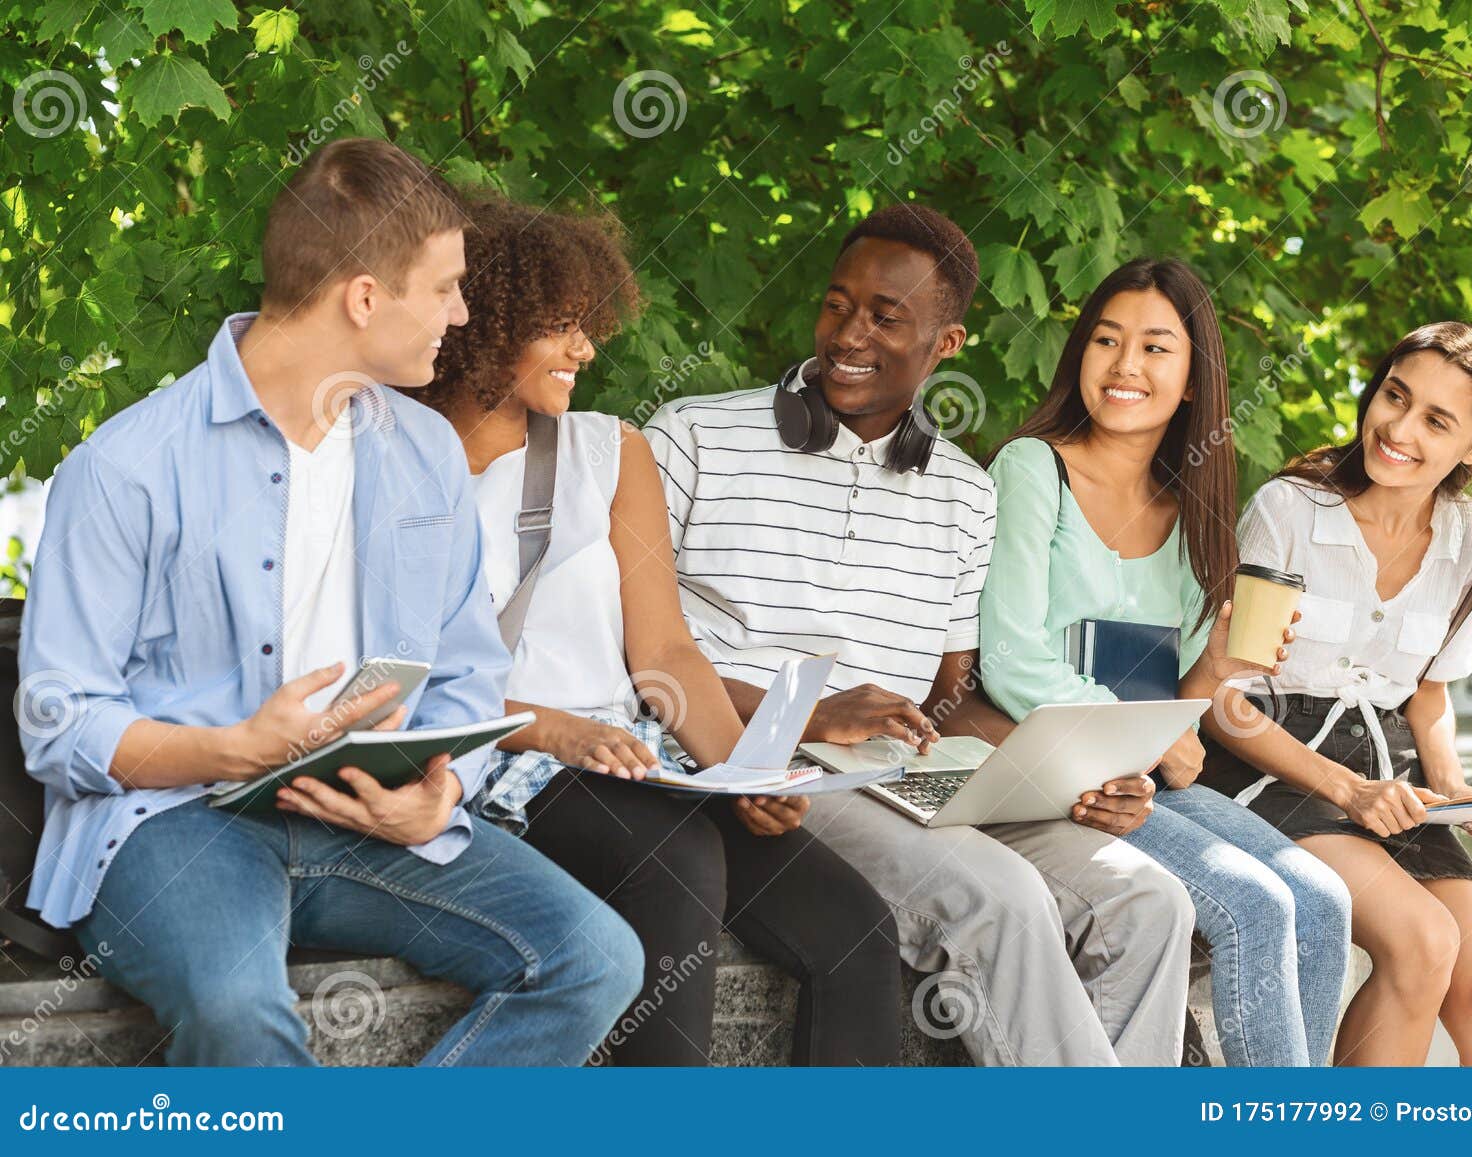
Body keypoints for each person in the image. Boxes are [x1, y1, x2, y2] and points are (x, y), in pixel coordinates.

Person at [15, 139, 642, 1067]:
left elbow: (469, 674)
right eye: (444, 289)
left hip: (366, 810)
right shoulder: (128, 465)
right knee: (237, 1010)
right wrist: (225, 748)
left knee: (596, 958)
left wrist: (443, 793)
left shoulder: (422, 451)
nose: (463, 314)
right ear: (363, 298)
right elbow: (60, 723)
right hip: (179, 820)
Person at [646, 203, 1198, 1066]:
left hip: (907, 774)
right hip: (761, 760)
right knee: (1002, 897)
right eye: (837, 304)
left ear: (948, 344)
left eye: (885, 315)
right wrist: (816, 713)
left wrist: (1080, 779)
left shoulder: (967, 492)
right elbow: (632, 653)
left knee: (1149, 900)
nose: (847, 333)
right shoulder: (691, 435)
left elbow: (953, 700)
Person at [422, 194, 901, 1065]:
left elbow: (667, 651)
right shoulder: (391, 456)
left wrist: (740, 770)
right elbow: (397, 668)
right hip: (499, 757)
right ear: (486, 323)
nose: (586, 349)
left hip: (640, 758)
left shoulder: (611, 449)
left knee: (855, 930)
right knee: (679, 867)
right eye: (561, 327)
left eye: (588, 325)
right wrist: (553, 727)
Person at [978, 257, 1351, 1067]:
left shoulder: (1190, 511)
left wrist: (1217, 670)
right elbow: (1011, 660)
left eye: (1155, 348)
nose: (1124, 366)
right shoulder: (1032, 468)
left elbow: (1174, 698)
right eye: (1107, 341)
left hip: (1142, 779)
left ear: (1191, 382)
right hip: (1047, 774)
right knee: (1251, 904)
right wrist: (1148, 742)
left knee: (1322, 900)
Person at [1197, 320, 1472, 1066]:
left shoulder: (1470, 546)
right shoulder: (1289, 508)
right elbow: (1225, 700)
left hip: (1393, 774)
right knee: (1424, 940)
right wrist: (1346, 789)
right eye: (1395, 396)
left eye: (1436, 420)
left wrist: (1454, 786)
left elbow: (1427, 698)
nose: (1399, 427)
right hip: (1272, 762)